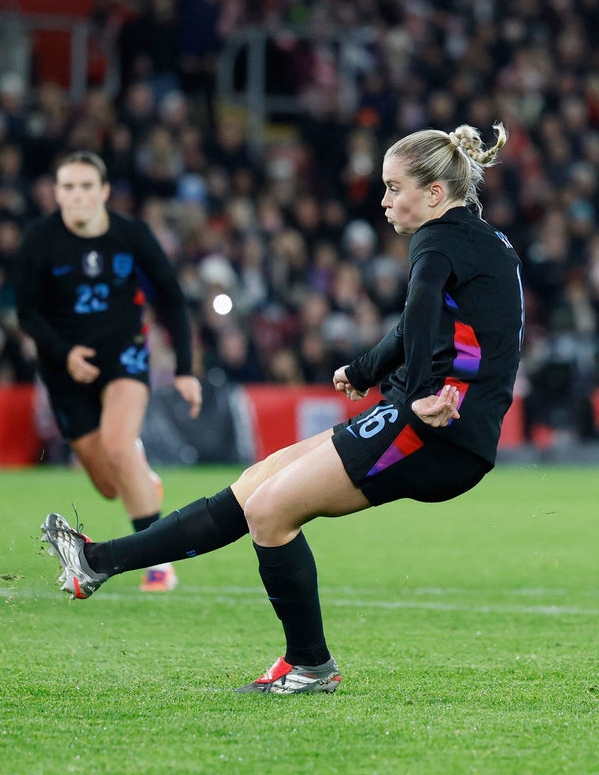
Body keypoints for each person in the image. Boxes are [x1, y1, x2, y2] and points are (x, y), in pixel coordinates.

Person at [41, 123, 522, 693]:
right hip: (434, 420)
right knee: (255, 484)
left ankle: (310, 665)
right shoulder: (482, 239)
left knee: (270, 512)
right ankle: (97, 562)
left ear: (435, 194)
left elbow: (420, 316)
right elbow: (434, 323)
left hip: (435, 429)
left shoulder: (435, 240)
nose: (386, 200)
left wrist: (417, 391)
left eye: (395, 188)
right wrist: (367, 371)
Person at [15, 151, 202, 592]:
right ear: (56, 193)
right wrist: (64, 354)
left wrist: (185, 369)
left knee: (119, 449)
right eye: (68, 187)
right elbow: (26, 313)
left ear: (102, 192)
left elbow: (173, 299)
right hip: (63, 369)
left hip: (125, 355)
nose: (76, 196)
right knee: (107, 483)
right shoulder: (39, 240)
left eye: (85, 187)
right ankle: (140, 475)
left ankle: (159, 560)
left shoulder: (130, 235)